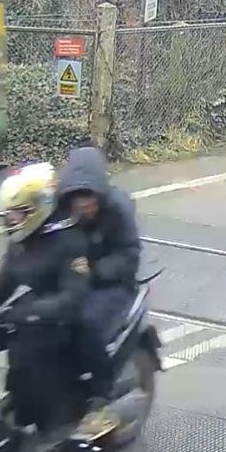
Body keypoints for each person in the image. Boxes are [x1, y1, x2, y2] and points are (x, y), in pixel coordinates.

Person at [0, 162, 92, 452]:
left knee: (30, 354)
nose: (9, 221)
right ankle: (22, 407)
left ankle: (55, 428)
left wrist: (30, 312)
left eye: (16, 214)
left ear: (37, 210)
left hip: (66, 321)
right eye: (8, 214)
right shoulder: (22, 242)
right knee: (10, 347)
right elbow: (3, 283)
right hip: (33, 314)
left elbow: (73, 296)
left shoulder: (69, 241)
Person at [54, 146, 142, 435]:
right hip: (73, 281)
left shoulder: (119, 208)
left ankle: (101, 400)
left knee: (87, 321)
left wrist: (94, 269)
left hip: (113, 286)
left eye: (89, 198)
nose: (84, 206)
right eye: (78, 199)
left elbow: (130, 257)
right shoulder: (59, 209)